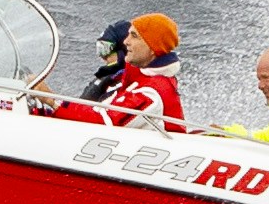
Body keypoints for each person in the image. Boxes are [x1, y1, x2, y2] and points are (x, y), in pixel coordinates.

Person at [43, 12, 186, 130]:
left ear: (152, 48)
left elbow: (106, 120)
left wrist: (51, 101)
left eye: (134, 36)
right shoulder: (134, 79)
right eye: (128, 35)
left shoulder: (152, 91)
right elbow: (98, 110)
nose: (126, 42)